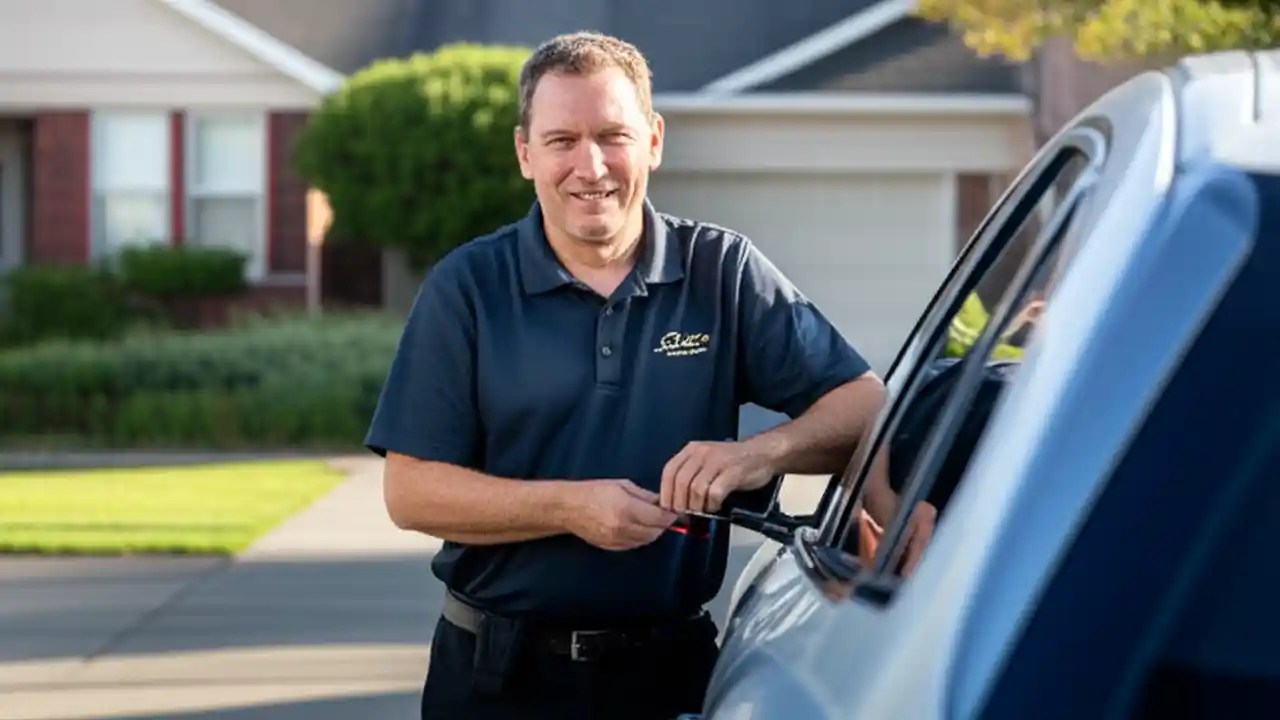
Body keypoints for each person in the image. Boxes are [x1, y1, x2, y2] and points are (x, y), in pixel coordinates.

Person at [365, 30, 888, 720]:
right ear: (526, 153)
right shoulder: (468, 287)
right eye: (561, 141)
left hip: (671, 675)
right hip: (496, 681)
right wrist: (570, 508)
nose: (591, 165)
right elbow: (411, 492)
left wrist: (757, 453)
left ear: (654, 140)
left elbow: (866, 403)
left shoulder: (720, 272)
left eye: (613, 135)